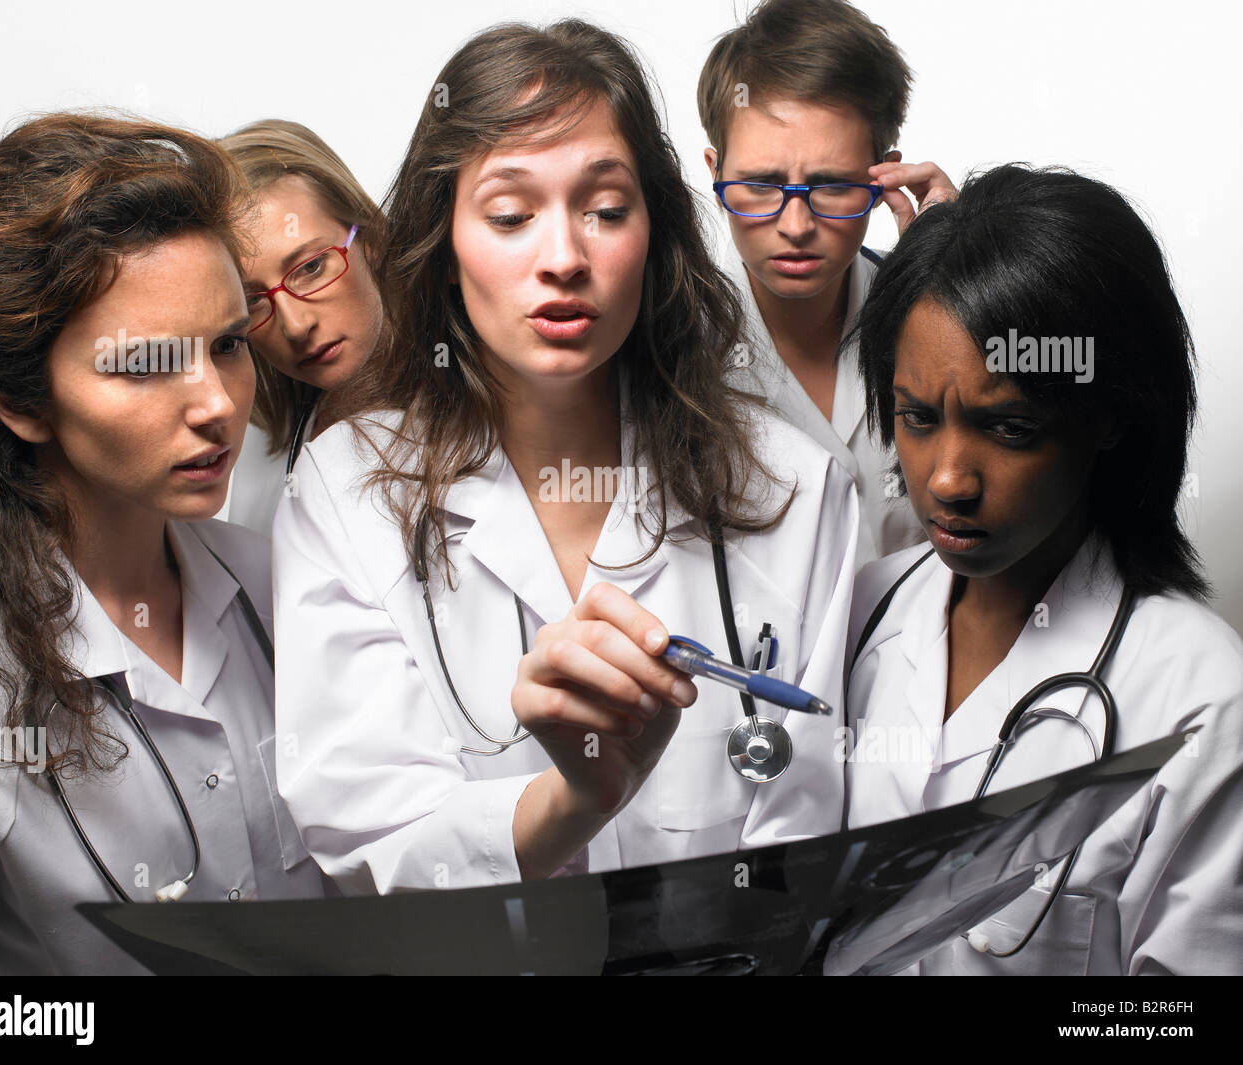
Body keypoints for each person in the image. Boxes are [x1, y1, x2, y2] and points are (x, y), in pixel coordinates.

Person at [272, 19, 860, 894]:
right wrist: (578, 796)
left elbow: (802, 840)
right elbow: (371, 840)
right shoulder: (340, 492)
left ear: (654, 232)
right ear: (444, 243)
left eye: (606, 210)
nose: (563, 258)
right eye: (510, 215)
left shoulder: (795, 486)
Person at [0, 113, 329, 975]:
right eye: (146, 362)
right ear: (23, 399)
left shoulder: (291, 585)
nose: (217, 403)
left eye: (228, 345)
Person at [844, 164, 1243, 975]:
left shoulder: (1199, 694)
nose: (948, 477)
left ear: (1107, 420)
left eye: (1010, 427)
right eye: (917, 418)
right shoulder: (862, 613)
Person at [697, 0, 957, 564]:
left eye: (832, 185)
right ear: (714, 172)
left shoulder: (938, 309)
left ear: (887, 175)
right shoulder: (667, 344)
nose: (796, 226)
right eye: (762, 184)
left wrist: (966, 272)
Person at [214, 120, 384, 538]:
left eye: (310, 268)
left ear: (372, 240)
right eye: (253, 301)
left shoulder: (501, 394)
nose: (296, 324)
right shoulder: (259, 443)